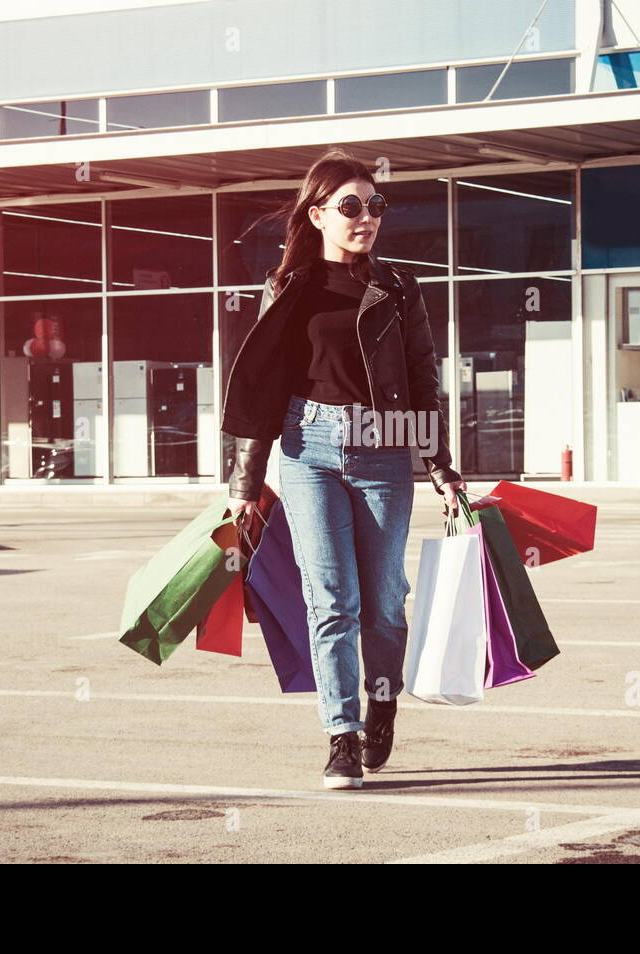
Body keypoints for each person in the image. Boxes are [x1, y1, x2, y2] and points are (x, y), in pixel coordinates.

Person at [220, 147, 466, 790]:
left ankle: (382, 700)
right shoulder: (288, 287)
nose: (366, 217)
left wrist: (438, 460)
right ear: (319, 213)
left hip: (384, 447)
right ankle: (342, 735)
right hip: (308, 449)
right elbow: (263, 388)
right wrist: (245, 485)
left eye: (375, 205)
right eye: (351, 206)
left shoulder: (399, 286)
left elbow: (422, 377)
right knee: (330, 600)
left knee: (384, 600)